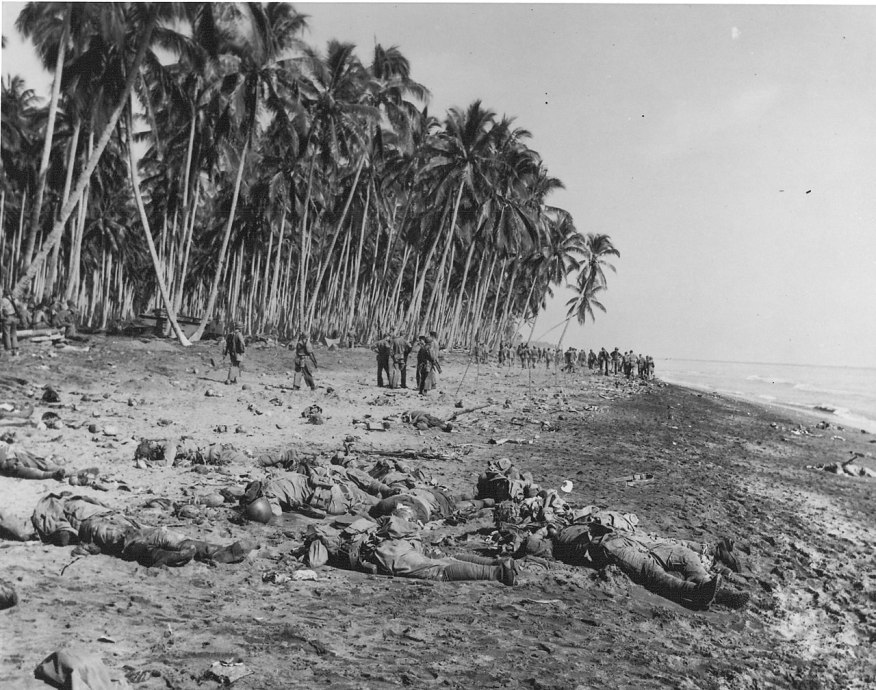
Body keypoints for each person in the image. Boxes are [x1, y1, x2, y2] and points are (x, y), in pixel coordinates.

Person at [0, 492, 256, 567]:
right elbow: (63, 535)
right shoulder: (49, 510)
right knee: (134, 539)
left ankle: (213, 551)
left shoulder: (66, 504)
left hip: (113, 519)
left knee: (158, 532)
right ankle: (164, 556)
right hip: (97, 525)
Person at [305, 514, 517, 585]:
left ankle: (497, 573)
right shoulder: (353, 523)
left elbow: (315, 562)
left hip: (385, 555)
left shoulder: (322, 538)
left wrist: (309, 546)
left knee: (437, 572)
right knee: (443, 559)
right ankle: (496, 563)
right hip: (398, 543)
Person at [1, 287, 20, 357]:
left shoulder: (3, 300)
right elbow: (19, 306)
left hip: (7, 317)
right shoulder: (13, 299)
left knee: (7, 334)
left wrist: (2, 317)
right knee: (14, 333)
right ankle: (15, 348)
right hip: (14, 317)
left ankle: (8, 349)